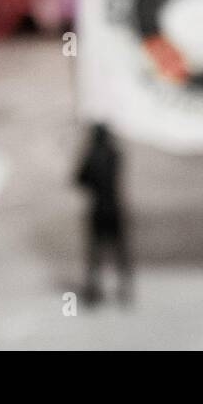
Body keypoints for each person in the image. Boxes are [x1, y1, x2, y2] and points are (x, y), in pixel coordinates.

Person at [74, 122, 132, 305]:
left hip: (99, 209)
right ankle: (125, 290)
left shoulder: (92, 157)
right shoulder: (114, 154)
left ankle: (95, 292)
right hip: (115, 207)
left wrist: (84, 154)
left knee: (96, 252)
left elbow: (79, 179)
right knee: (119, 250)